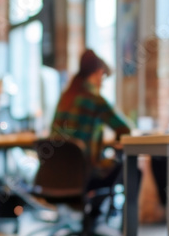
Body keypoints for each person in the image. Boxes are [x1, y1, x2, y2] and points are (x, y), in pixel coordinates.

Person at [50, 49, 131, 188]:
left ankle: (92, 208)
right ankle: (100, 209)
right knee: (131, 170)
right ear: (99, 73)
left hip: (55, 175)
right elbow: (124, 128)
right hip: (85, 175)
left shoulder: (66, 97)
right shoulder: (96, 100)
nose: (103, 83)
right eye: (104, 77)